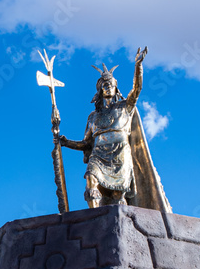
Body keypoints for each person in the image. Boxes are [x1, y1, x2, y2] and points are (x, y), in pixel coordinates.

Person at [60, 46, 148, 209]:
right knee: (91, 178)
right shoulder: (93, 117)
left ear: (115, 88)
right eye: (104, 85)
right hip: (99, 154)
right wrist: (66, 142)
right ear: (100, 90)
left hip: (120, 153)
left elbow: (137, 90)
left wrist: (138, 66)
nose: (108, 87)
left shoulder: (124, 108)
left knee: (117, 195)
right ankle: (94, 216)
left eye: (111, 84)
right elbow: (86, 144)